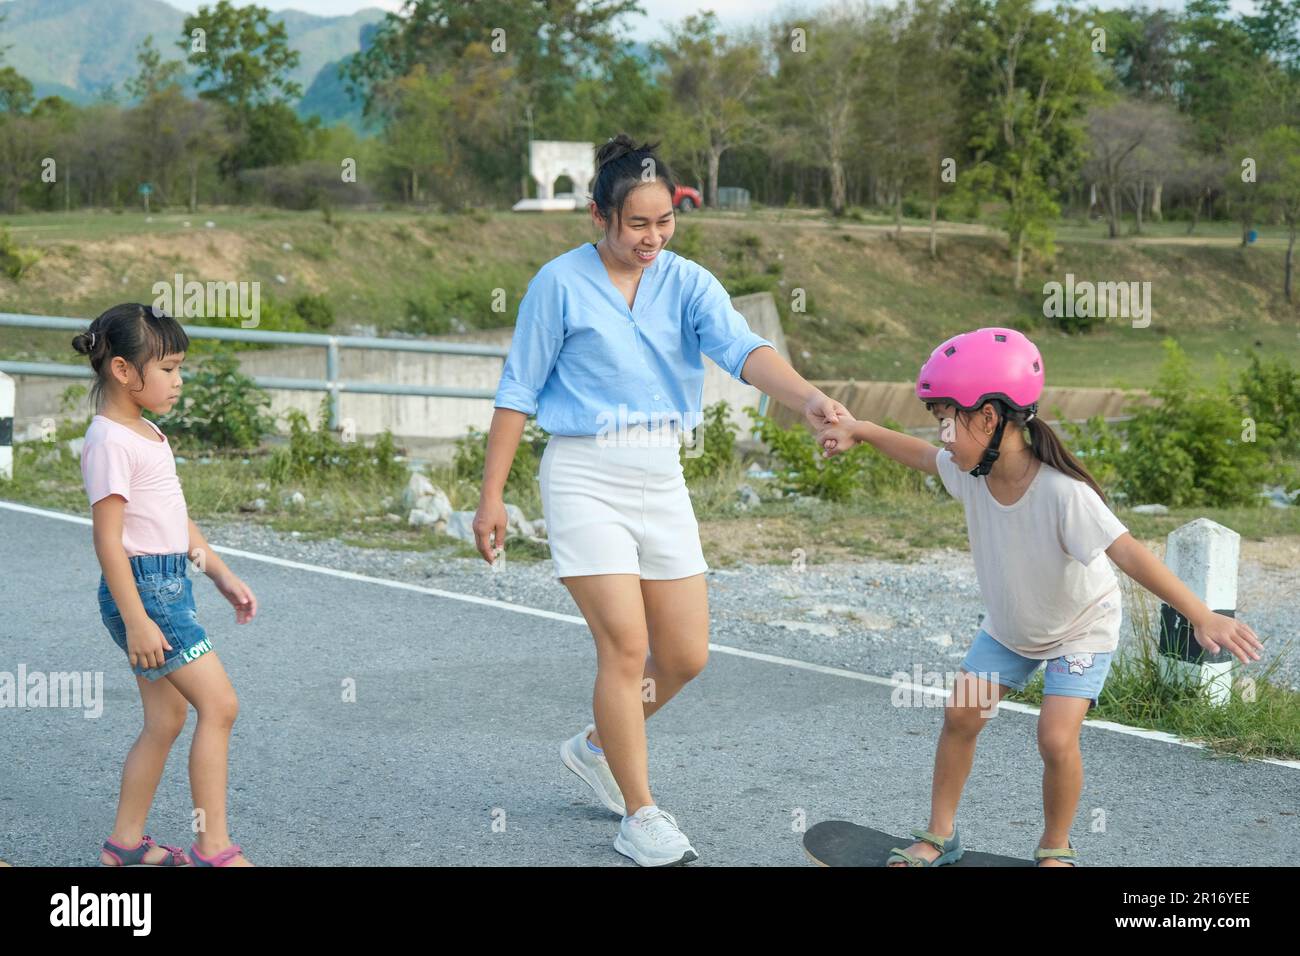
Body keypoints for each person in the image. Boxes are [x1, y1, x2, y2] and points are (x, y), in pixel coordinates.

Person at [475, 134, 849, 866]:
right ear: (600, 217)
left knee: (684, 656)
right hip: (584, 473)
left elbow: (744, 351)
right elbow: (518, 390)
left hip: (661, 474)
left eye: (665, 221)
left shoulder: (688, 282)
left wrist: (807, 398)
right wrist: (491, 497)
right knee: (626, 645)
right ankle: (640, 813)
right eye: (637, 223)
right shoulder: (558, 284)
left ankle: (596, 746)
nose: (652, 237)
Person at [816, 327, 1263, 867]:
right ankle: (939, 836)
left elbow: (1126, 552)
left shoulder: (1061, 492)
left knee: (1055, 737)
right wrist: (860, 429)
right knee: (961, 716)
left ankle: (1056, 847)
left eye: (946, 421)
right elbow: (915, 454)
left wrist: (1199, 613)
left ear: (988, 417)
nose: (941, 436)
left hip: (1080, 627)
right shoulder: (971, 474)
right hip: (1011, 627)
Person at [74, 303, 258, 867]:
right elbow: (109, 541)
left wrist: (220, 573)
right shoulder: (109, 440)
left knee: (166, 718)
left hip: (168, 584)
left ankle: (124, 846)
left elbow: (173, 521)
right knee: (220, 706)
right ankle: (214, 848)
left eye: (179, 367)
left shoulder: (146, 431)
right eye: (169, 368)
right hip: (146, 593)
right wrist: (137, 619)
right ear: (125, 371)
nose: (179, 381)